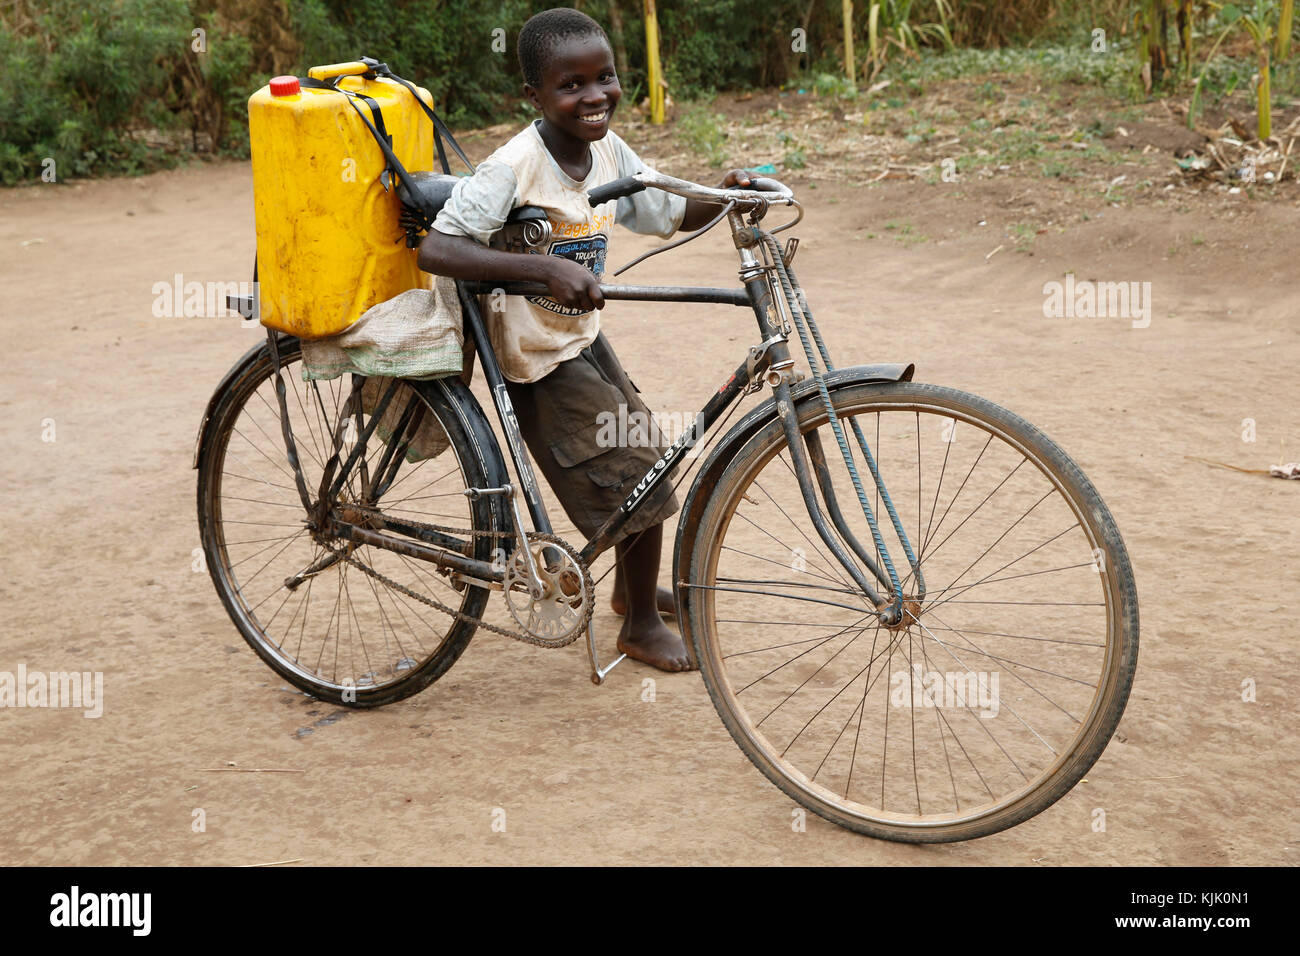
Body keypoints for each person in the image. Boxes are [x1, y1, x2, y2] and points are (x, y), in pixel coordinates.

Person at [418, 7, 768, 671]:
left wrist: (721, 194)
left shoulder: (608, 148)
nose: (595, 96)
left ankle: (628, 594)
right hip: (533, 357)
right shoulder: (514, 166)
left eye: (604, 78)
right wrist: (543, 267)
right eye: (571, 85)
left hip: (579, 337)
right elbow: (439, 249)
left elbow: (663, 207)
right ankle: (638, 624)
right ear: (536, 96)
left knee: (648, 460)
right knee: (634, 472)